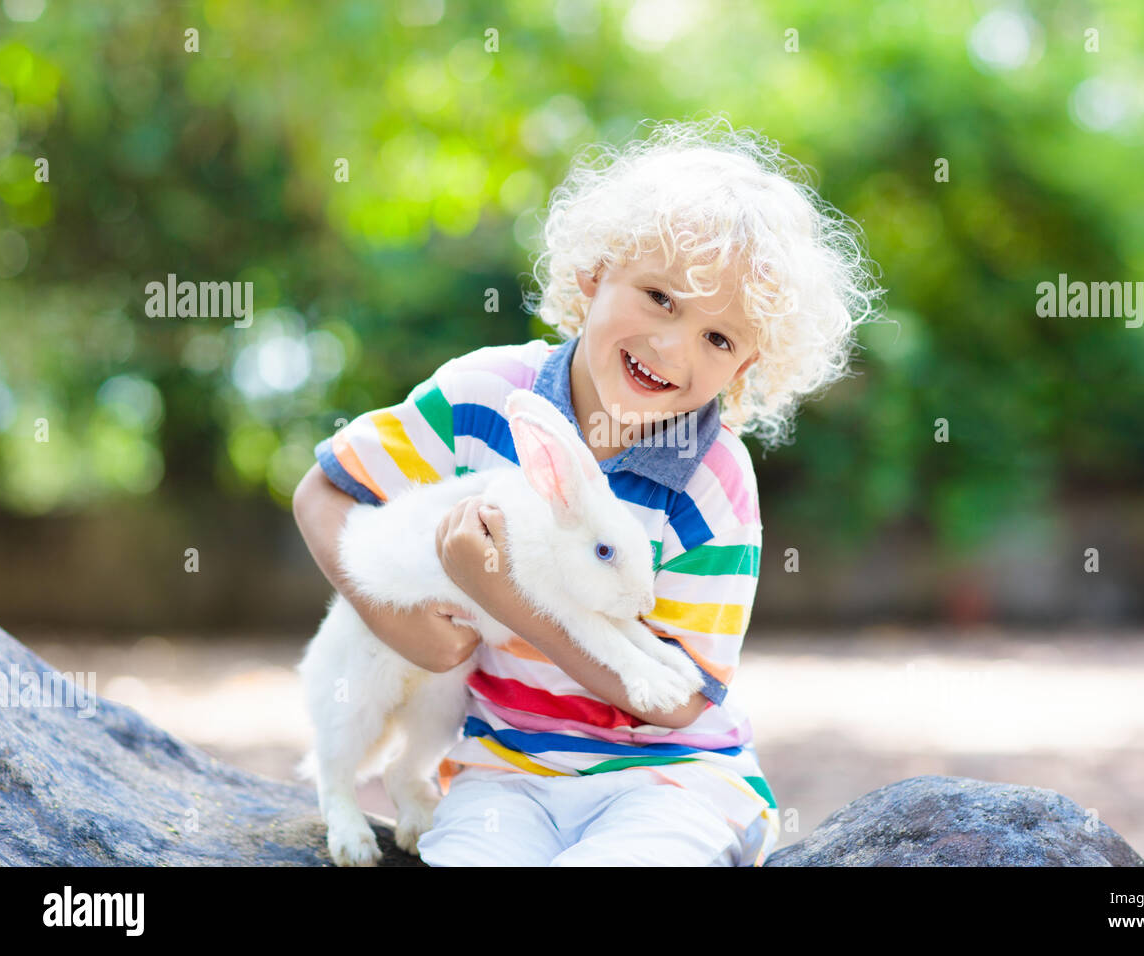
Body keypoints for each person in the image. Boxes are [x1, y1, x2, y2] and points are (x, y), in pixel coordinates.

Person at [291, 113, 883, 866]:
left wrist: (506, 599)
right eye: (661, 298)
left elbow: (681, 698)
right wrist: (392, 617)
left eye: (720, 338)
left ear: (746, 370)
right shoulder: (482, 395)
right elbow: (323, 492)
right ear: (595, 273)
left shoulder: (715, 484)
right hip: (504, 773)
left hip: (671, 778)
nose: (673, 347)